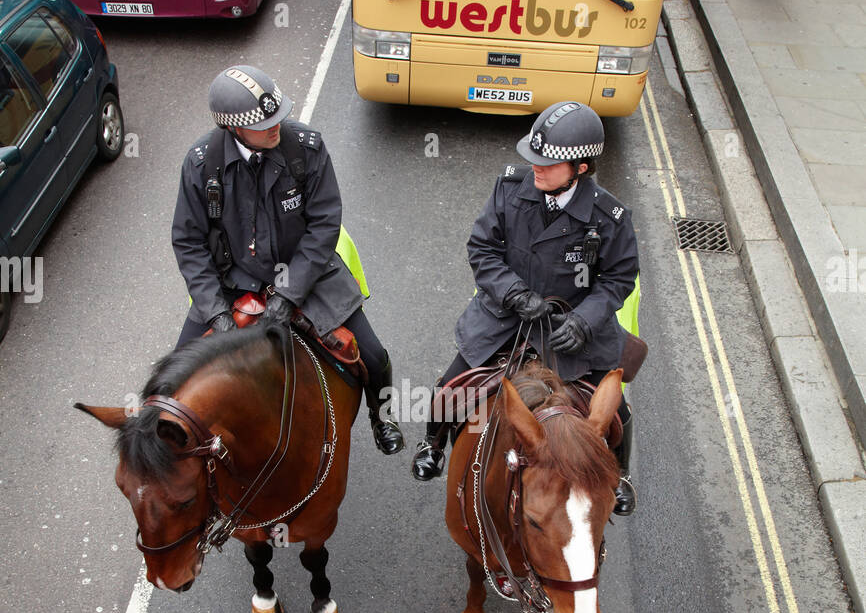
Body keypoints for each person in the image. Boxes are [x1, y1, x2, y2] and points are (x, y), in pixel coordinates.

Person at [411, 102, 640, 515]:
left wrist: (585, 322)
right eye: (533, 158)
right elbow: (482, 248)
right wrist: (514, 293)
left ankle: (620, 474)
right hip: (507, 316)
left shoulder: (610, 218)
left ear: (581, 168)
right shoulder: (510, 187)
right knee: (448, 387)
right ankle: (432, 442)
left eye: (548, 163)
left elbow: (619, 279)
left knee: (618, 411)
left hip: (569, 328)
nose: (536, 168)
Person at [171, 65, 404, 455]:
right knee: (174, 381)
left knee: (375, 356)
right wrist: (217, 316)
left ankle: (381, 416)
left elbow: (325, 226)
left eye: (278, 115)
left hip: (308, 276)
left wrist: (287, 296)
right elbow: (189, 243)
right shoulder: (199, 165)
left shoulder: (306, 149)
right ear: (233, 128)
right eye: (265, 122)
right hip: (233, 284)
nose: (276, 126)